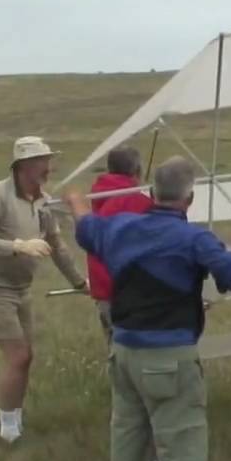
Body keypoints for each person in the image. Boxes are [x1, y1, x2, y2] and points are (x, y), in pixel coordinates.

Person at [66, 156, 231, 461]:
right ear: (189, 199)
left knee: (128, 437)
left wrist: (77, 201)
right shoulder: (194, 239)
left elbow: (85, 229)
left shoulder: (119, 227)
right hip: (168, 359)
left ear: (151, 192)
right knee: (183, 443)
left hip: (123, 352)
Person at [0, 136, 87, 444]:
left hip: (22, 288)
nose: (47, 167)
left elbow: (56, 245)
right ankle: (8, 432)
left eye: (48, 160)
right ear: (22, 166)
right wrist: (16, 246)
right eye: (40, 161)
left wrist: (79, 282)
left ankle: (14, 419)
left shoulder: (45, 201)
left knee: (26, 357)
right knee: (18, 356)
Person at [87, 146, 155, 343]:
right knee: (138, 349)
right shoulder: (139, 202)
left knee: (115, 346)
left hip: (103, 286)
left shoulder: (99, 196)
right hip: (131, 290)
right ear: (137, 170)